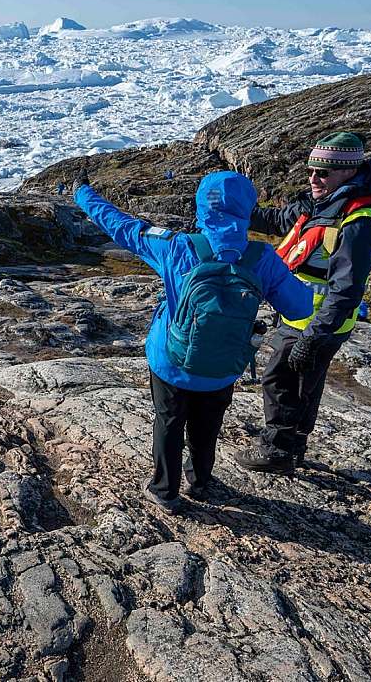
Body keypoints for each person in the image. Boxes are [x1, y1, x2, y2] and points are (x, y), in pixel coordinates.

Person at [75, 169, 312, 513]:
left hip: (172, 360)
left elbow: (120, 225)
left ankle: (164, 491)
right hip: (224, 365)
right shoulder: (263, 259)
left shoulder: (177, 247)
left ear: (202, 207)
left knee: (169, 421)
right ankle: (199, 482)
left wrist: (82, 192)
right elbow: (300, 307)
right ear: (247, 209)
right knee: (208, 425)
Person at [233, 132, 371, 475]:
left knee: (280, 380)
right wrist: (233, 209)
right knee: (304, 383)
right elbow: (279, 221)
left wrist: (315, 335)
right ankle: (293, 446)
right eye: (311, 171)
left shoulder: (357, 222)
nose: (313, 178)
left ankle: (276, 449)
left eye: (323, 172)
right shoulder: (321, 204)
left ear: (349, 172)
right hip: (299, 314)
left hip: (319, 321)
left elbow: (346, 289)